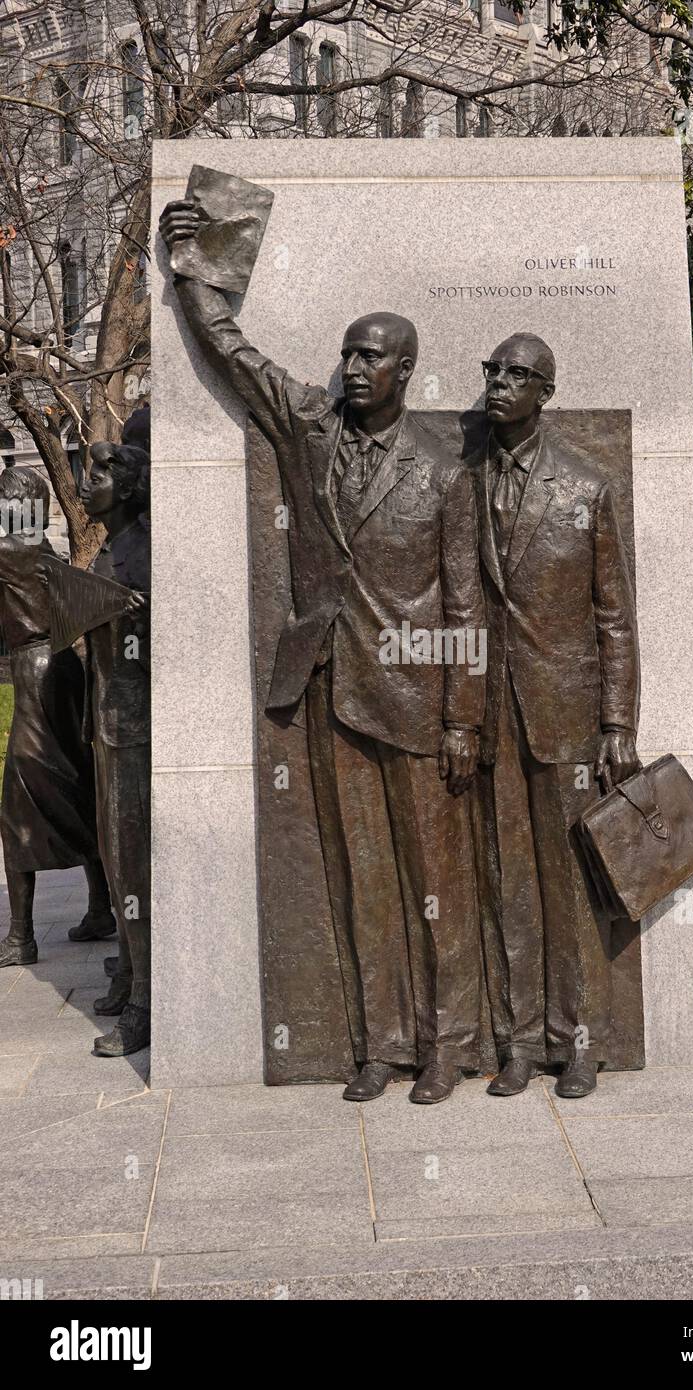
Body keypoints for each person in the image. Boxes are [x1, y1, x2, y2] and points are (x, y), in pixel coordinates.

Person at [159, 195, 487, 1104]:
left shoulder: (445, 473)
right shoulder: (308, 429)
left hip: (419, 704)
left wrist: (465, 718)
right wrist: (191, 266)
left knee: (435, 885)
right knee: (364, 881)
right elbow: (238, 358)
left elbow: (467, 607)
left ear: (406, 371)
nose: (349, 367)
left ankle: (447, 1043)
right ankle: (378, 1044)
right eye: (346, 352)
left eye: (369, 356)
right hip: (333, 689)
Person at [468, 333, 640, 1099]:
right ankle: (520, 1040)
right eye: (492, 372)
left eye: (518, 375)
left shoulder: (586, 489)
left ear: (546, 392)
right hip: (490, 714)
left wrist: (618, 726)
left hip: (566, 716)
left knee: (571, 885)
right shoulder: (465, 482)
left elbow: (615, 619)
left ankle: (583, 1039)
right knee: (508, 882)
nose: (499, 384)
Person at [0, 467, 115, 969]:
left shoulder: (7, 552)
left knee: (17, 800)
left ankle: (22, 935)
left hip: (35, 671)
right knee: (74, 782)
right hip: (65, 667)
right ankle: (100, 908)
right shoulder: (46, 550)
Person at [79, 443, 151, 1056]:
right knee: (114, 851)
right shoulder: (108, 549)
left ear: (129, 487)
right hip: (106, 721)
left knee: (134, 863)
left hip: (135, 726)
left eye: (99, 474)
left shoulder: (145, 553)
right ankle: (128, 968)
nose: (86, 482)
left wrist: (136, 619)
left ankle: (146, 1005)